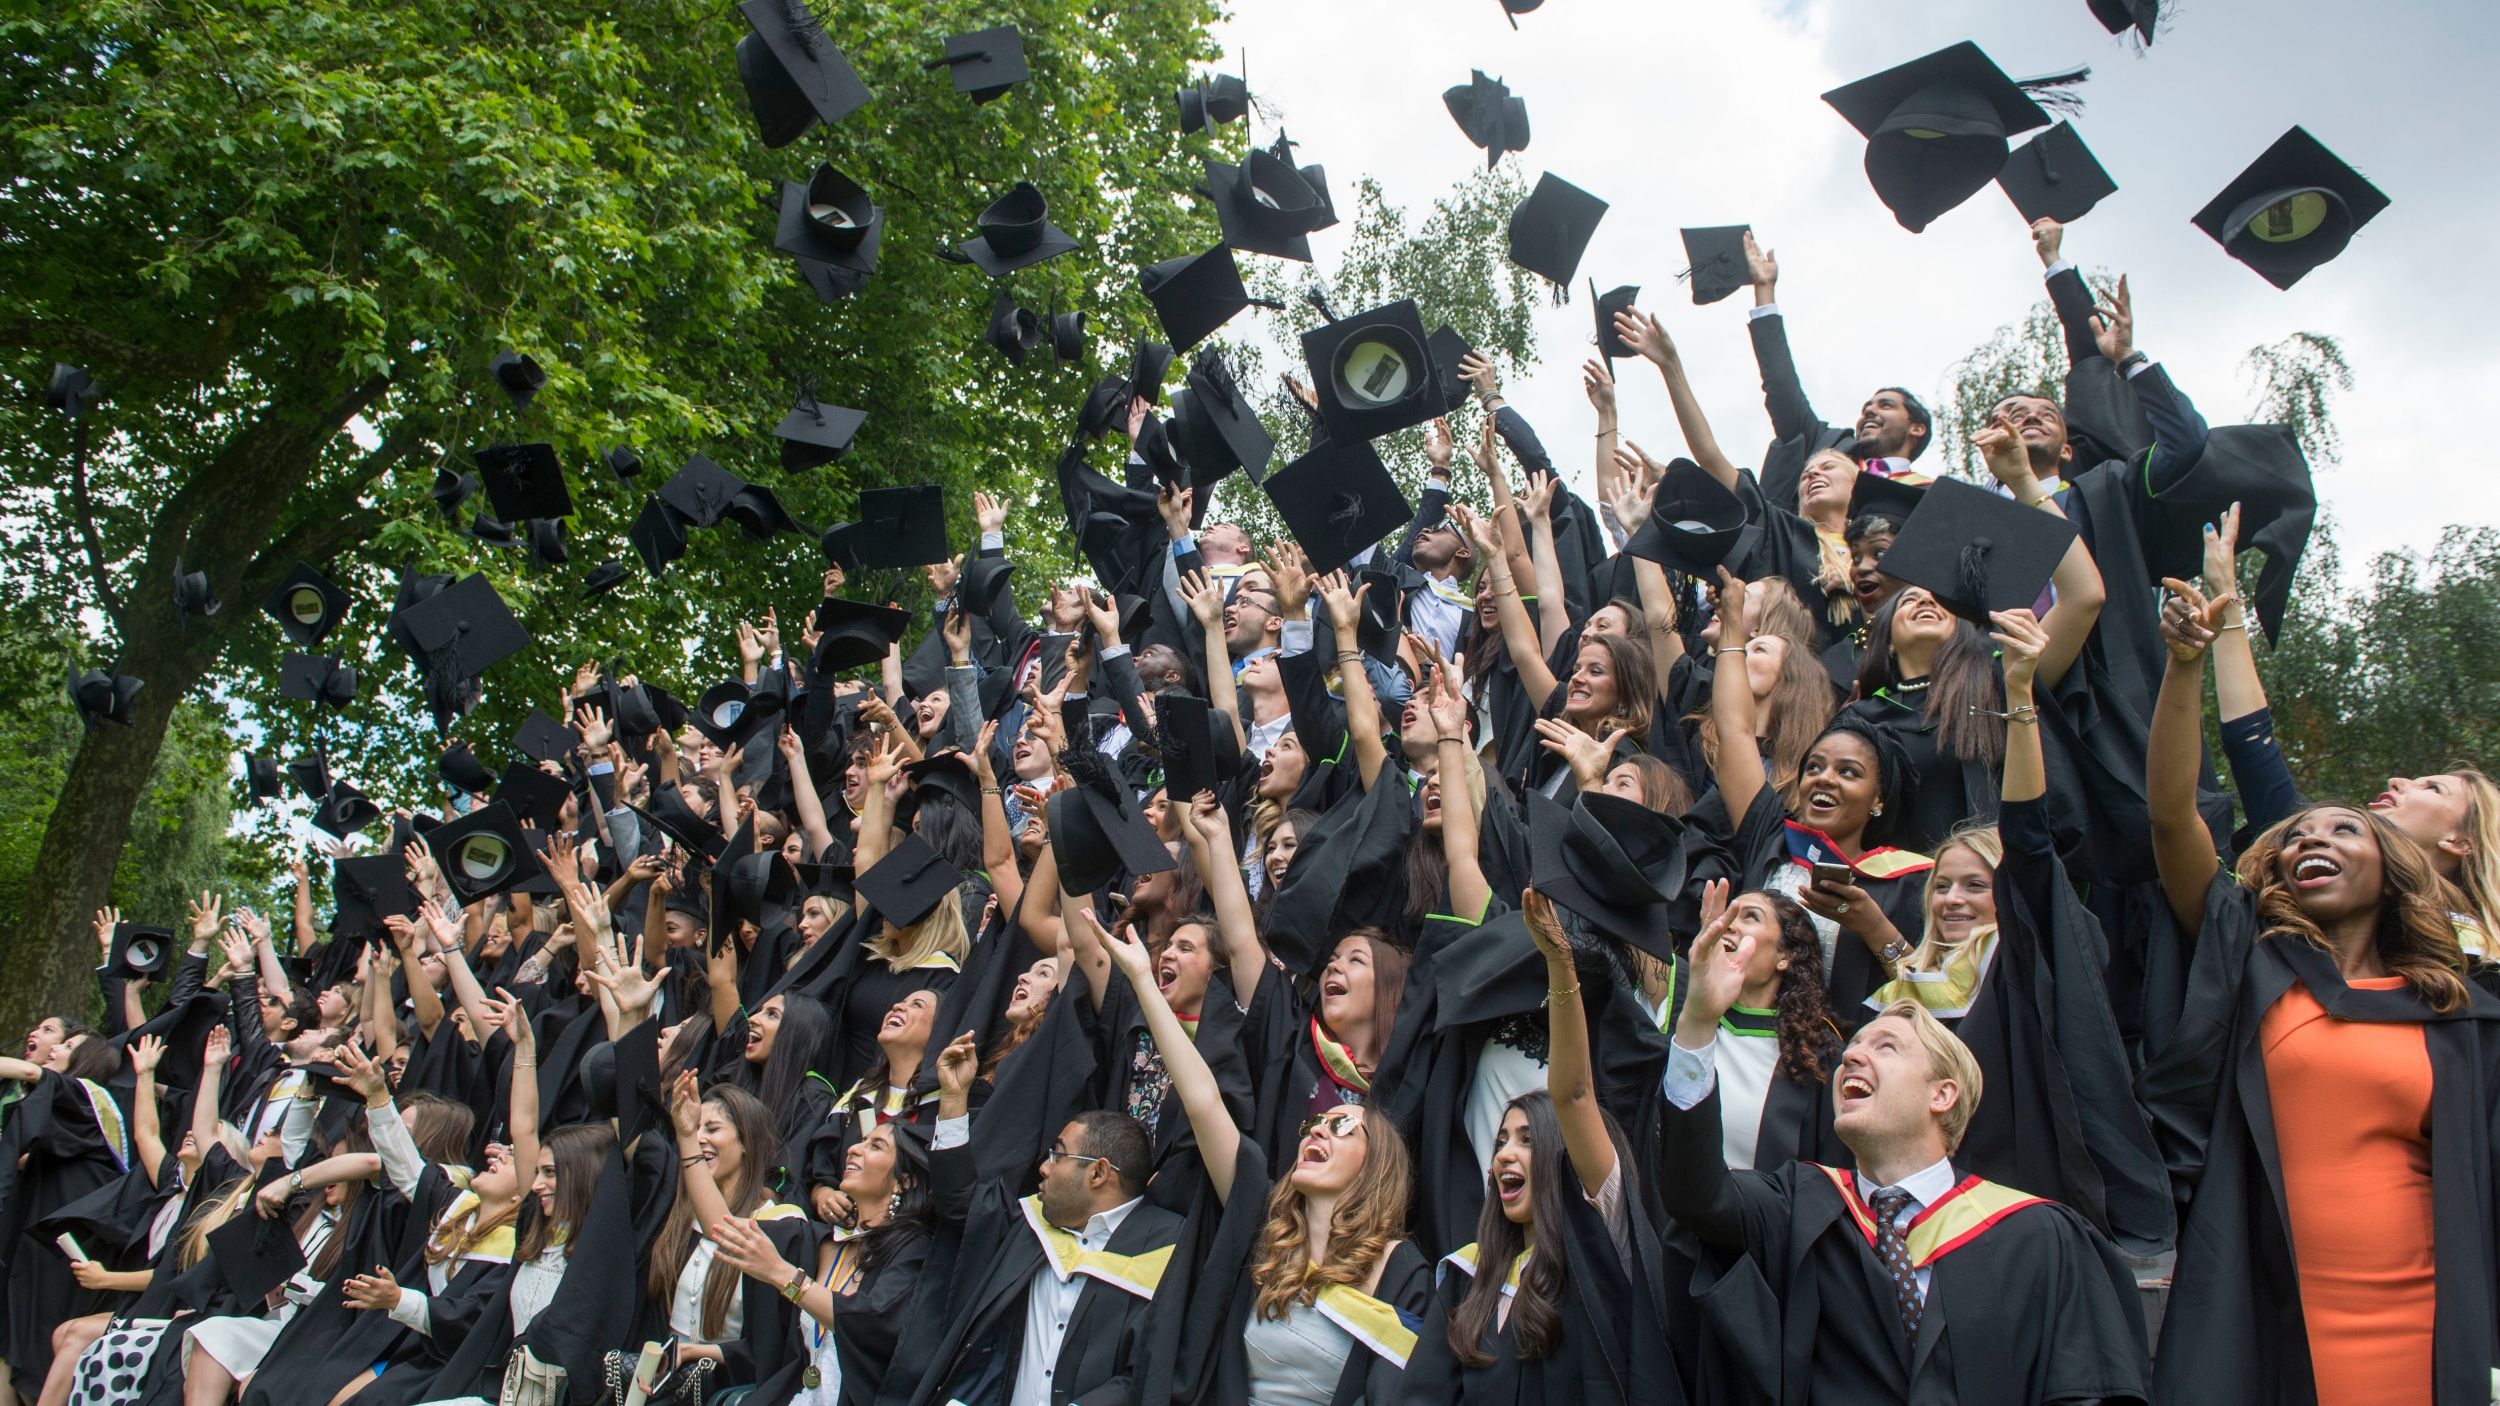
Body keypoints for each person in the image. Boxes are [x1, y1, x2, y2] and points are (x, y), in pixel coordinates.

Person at [2138, 574, 2500, 1406]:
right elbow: (2169, 819)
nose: (2314, 838)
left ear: (2393, 870)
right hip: (2264, 1313)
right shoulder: (2251, 957)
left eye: (2344, 829)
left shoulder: (2462, 1010)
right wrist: (2184, 667)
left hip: (2430, 1325)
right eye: (2298, 834)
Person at [1657, 971, 2148, 1402]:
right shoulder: (1799, 1204)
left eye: (1885, 1046)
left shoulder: (2038, 1236)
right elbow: (1697, 1194)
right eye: (1851, 1049)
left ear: (1942, 1094)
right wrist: (1698, 1022)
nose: (1851, 1058)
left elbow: (2083, 1388)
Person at [1096, 924, 1428, 1406]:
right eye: (1315, 1124)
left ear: (1378, 1166)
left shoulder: (1402, 1274)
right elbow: (1204, 1099)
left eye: (1341, 1127)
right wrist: (1144, 982)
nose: (1317, 1129)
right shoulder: (1263, 1230)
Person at [2184, 505, 2500, 957]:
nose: (2397, 781)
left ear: (2461, 841)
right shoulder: (2306, 854)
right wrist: (2227, 598)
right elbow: (2251, 743)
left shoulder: (2477, 957)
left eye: (2433, 788)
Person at [1402, 889, 1669, 1405]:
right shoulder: (1468, 1280)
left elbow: (1572, 1095)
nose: (1503, 1154)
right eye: (1501, 1140)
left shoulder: (1603, 1249)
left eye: (1526, 1140)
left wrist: (1560, 966)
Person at [903, 1038, 1181, 1406]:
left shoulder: (1166, 1250)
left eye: (1058, 1155)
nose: (1044, 1166)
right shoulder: (1032, 1226)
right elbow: (959, 1204)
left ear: (1098, 1173)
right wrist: (954, 1100)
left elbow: (1154, 1369)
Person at [712, 1117, 936, 1406]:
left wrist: (782, 1274)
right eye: (860, 1141)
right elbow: (723, 1229)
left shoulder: (913, 1250)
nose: (854, 1148)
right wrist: (687, 1139)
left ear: (904, 1181)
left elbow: (871, 1321)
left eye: (875, 1146)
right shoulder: (821, 1241)